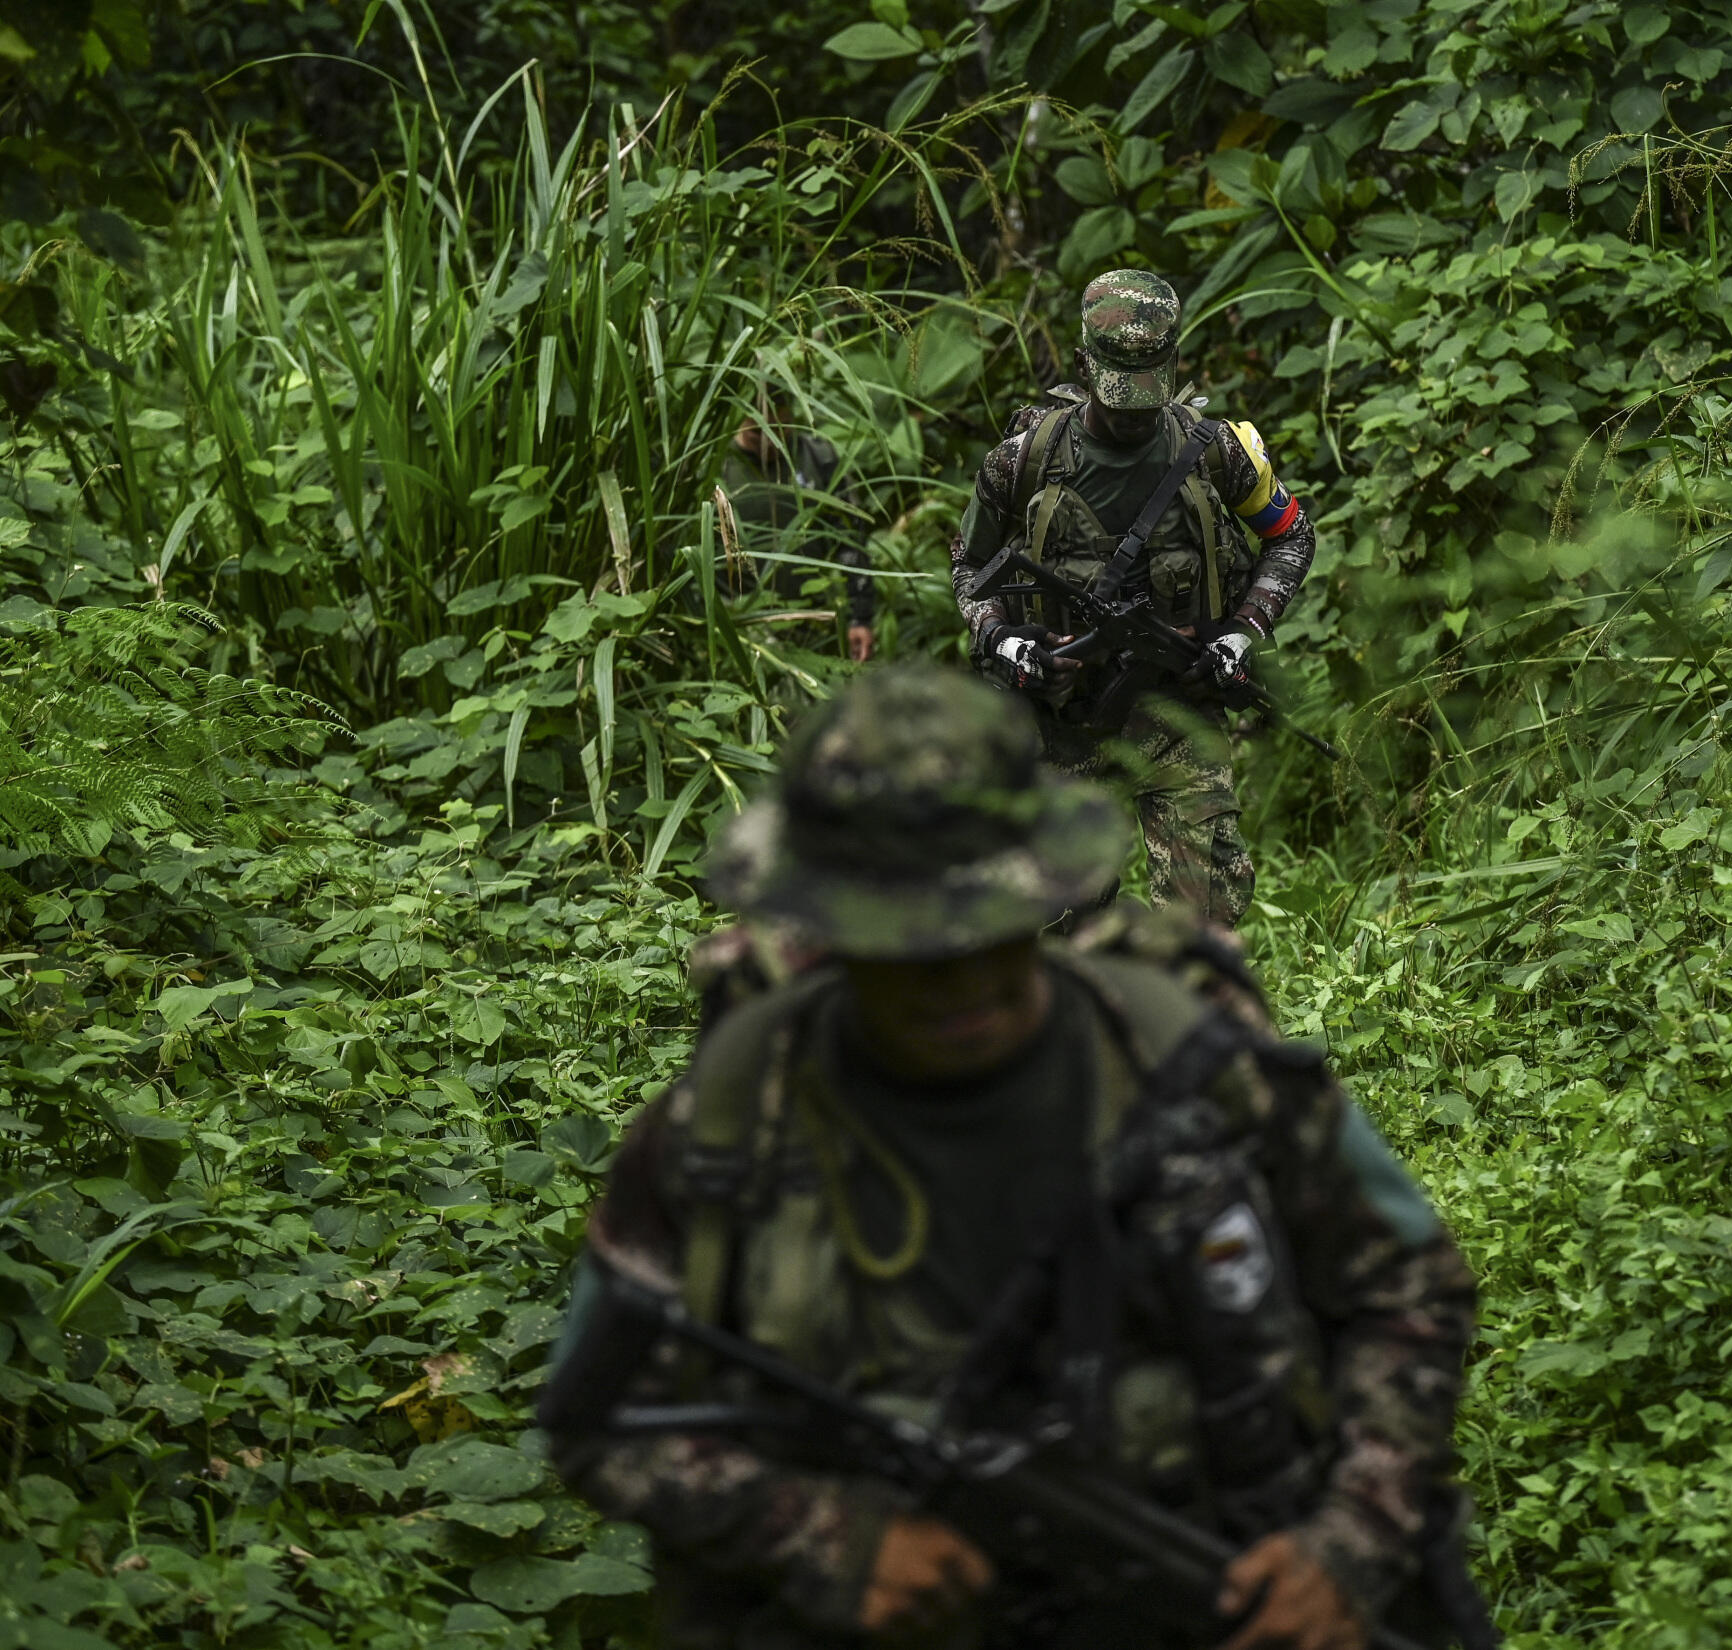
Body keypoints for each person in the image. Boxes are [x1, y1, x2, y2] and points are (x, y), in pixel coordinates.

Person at [546, 665, 1476, 1650]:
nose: (959, 977)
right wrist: (823, 1537)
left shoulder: (1188, 1058)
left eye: (985, 925)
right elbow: (595, 1415)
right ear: (826, 929)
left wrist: (1346, 1544)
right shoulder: (733, 1113)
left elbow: (1408, 1290)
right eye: (905, 944)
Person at [948, 269, 1320, 927]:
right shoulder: (1025, 457)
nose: (1131, 416)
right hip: (1062, 717)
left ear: (1172, 366)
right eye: (1118, 397)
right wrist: (1003, 640)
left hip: (1182, 710)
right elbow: (971, 567)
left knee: (1202, 917)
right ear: (1086, 365)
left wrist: (1242, 630)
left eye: (1144, 397)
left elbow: (1290, 537)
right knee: (1062, 920)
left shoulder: (1217, 454)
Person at [722, 411, 880, 662]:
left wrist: (860, 616)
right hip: (744, 626)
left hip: (819, 621)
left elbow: (850, 539)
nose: (769, 442)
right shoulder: (720, 466)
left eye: (778, 430)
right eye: (757, 433)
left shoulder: (818, 457)